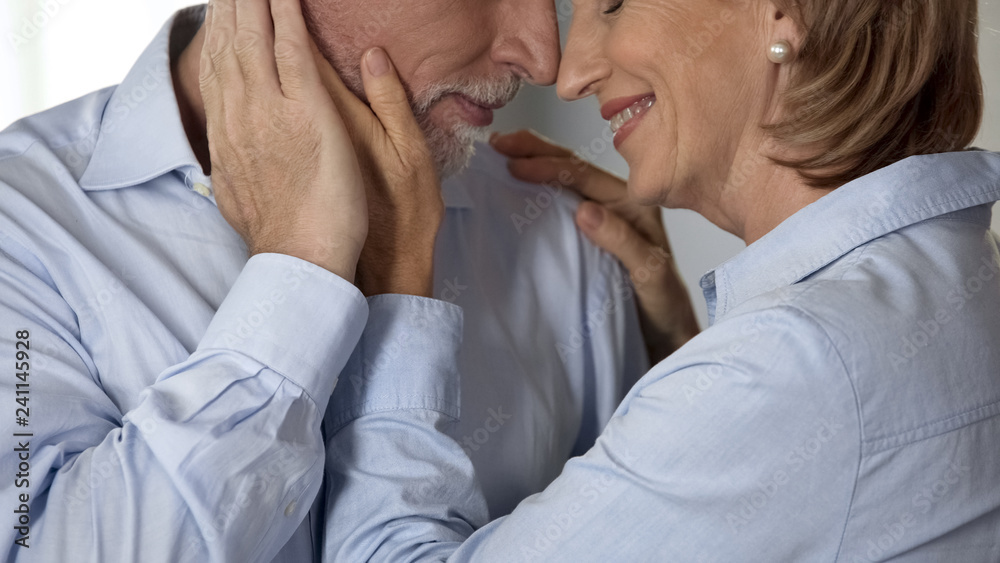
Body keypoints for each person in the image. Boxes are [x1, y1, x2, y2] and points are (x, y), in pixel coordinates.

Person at [203, 0, 1000, 560]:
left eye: (614, 2)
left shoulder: (799, 364)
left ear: (782, 14)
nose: (569, 70)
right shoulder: (944, 281)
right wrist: (683, 349)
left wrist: (399, 284)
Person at [0, 0, 688, 561]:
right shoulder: (18, 225)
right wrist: (303, 266)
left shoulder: (564, 236)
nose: (542, 57)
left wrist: (680, 354)